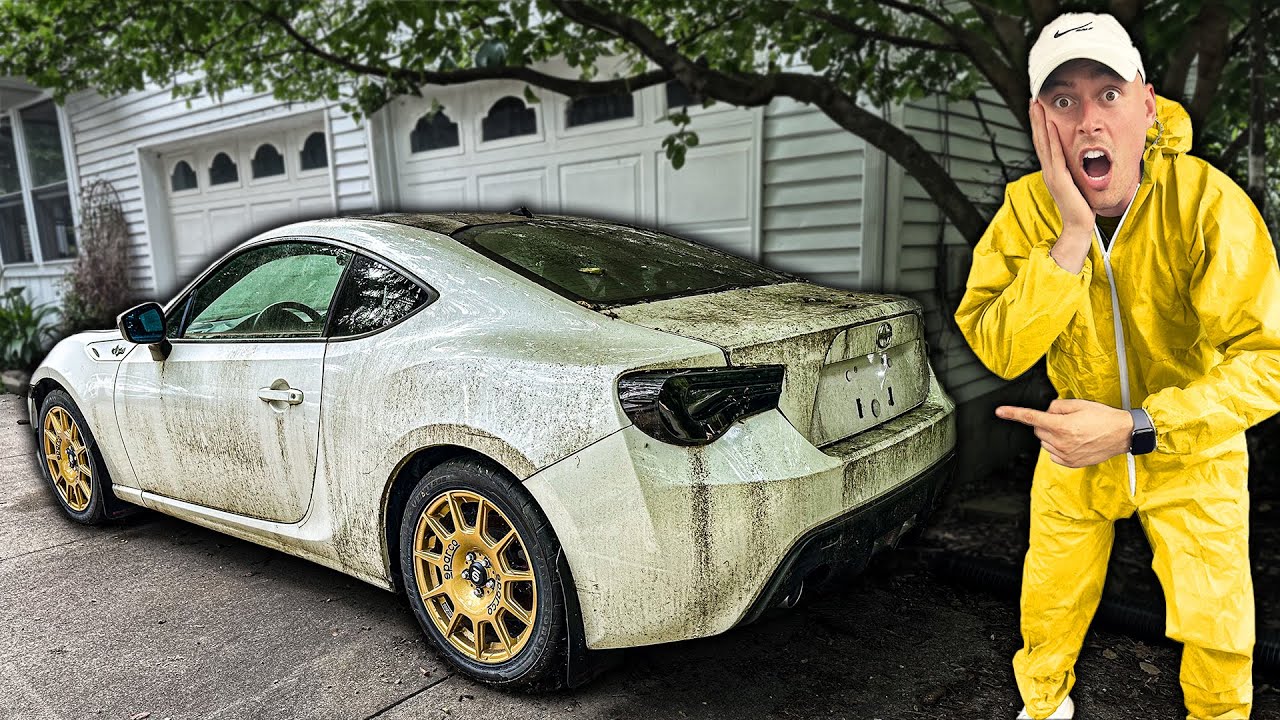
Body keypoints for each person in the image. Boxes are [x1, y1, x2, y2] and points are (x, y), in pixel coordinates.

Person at [954, 12, 1280, 720]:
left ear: (1148, 105)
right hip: (1075, 448)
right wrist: (1070, 235)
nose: (1088, 121)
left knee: (1219, 628)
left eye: (1108, 93)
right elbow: (999, 346)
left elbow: (1265, 363)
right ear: (1041, 120)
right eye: (1064, 100)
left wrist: (1137, 426)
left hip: (1192, 449)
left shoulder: (1208, 205)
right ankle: (1044, 708)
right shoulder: (1024, 212)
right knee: (1048, 601)